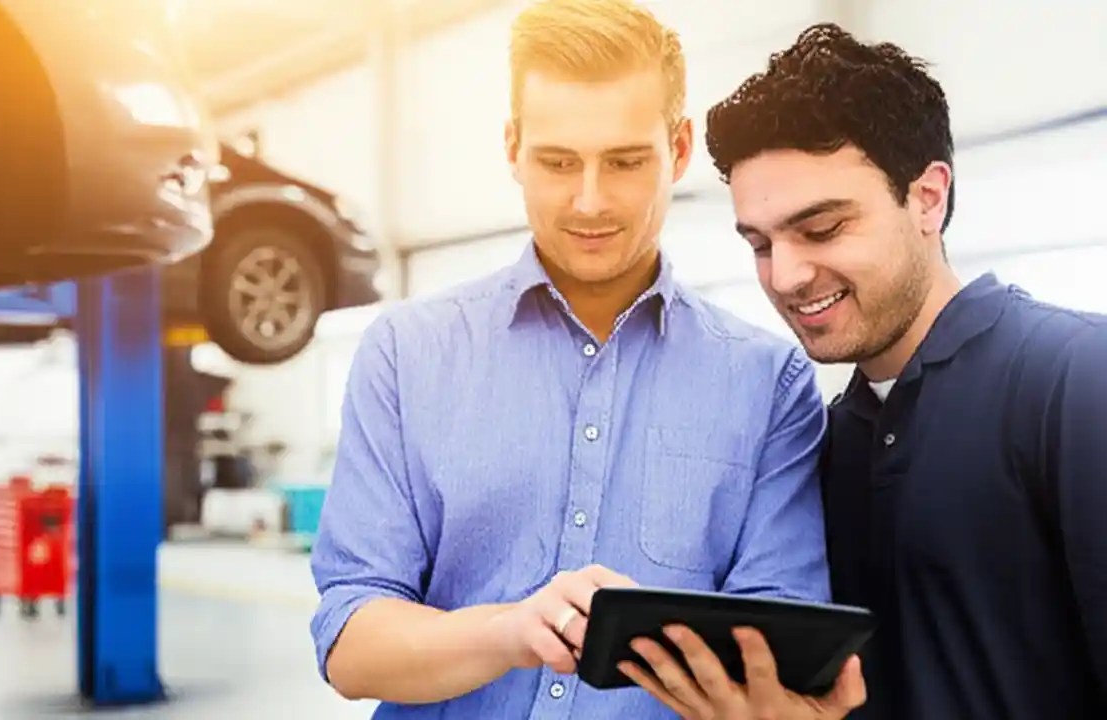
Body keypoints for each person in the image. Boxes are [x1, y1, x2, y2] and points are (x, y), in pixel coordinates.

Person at [309, 1, 836, 716]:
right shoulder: (407, 355)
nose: (589, 201)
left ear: (678, 151)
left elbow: (777, 654)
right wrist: (511, 630)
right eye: (558, 162)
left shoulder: (767, 384)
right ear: (512, 149)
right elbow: (351, 644)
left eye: (624, 162)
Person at [622, 22, 1107, 720]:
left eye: (822, 230)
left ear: (927, 199)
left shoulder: (1075, 380)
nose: (786, 275)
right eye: (760, 243)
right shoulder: (821, 444)